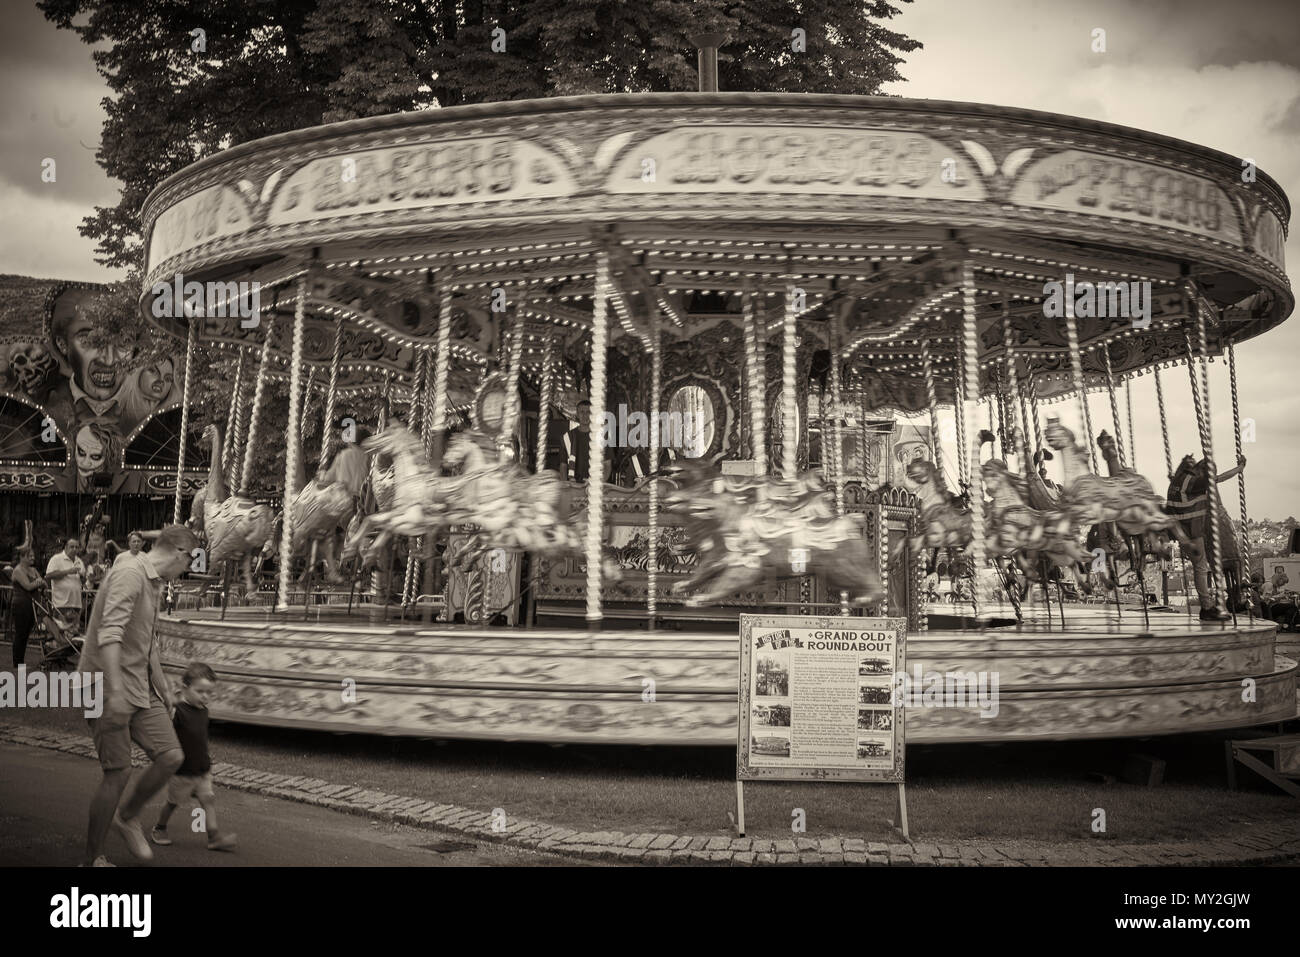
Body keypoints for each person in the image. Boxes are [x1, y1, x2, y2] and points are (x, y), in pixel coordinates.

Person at [77, 524, 199, 867]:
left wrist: (164, 689)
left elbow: (148, 645)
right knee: (118, 772)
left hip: (137, 685)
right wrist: (114, 693)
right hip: (104, 684)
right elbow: (110, 634)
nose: (189, 567)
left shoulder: (154, 582)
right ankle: (91, 860)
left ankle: (127, 816)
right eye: (190, 559)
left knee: (171, 756)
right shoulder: (130, 573)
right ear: (178, 551)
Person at [151, 662, 237, 852]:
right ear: (185, 688)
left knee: (208, 799)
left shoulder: (203, 711)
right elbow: (165, 734)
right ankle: (160, 828)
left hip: (202, 769)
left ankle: (214, 837)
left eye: (209, 693)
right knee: (173, 803)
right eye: (200, 691)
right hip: (182, 771)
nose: (205, 697)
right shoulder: (178, 712)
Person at [1165, 453, 1245, 622]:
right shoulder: (1194, 482)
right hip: (1193, 532)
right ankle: (1207, 608)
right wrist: (1240, 468)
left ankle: (1210, 605)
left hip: (1181, 533)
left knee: (1200, 567)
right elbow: (1219, 478)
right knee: (1201, 569)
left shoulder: (1177, 481)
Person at [8, 547, 45, 667]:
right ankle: (17, 663)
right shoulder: (18, 570)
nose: (33, 558)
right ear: (22, 557)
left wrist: (40, 582)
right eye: (30, 556)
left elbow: (44, 583)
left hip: (32, 605)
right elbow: (28, 586)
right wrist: (38, 582)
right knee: (20, 634)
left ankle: (20, 662)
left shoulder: (33, 569)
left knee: (26, 634)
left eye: (33, 556)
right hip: (20, 605)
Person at [45, 538, 85, 632]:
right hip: (61, 604)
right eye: (72, 547)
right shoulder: (56, 559)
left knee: (74, 633)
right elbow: (48, 575)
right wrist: (68, 571)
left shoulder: (79, 561)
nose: (75, 549)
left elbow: (82, 580)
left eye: (77, 547)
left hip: (76, 604)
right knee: (61, 634)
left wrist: (83, 577)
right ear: (66, 547)